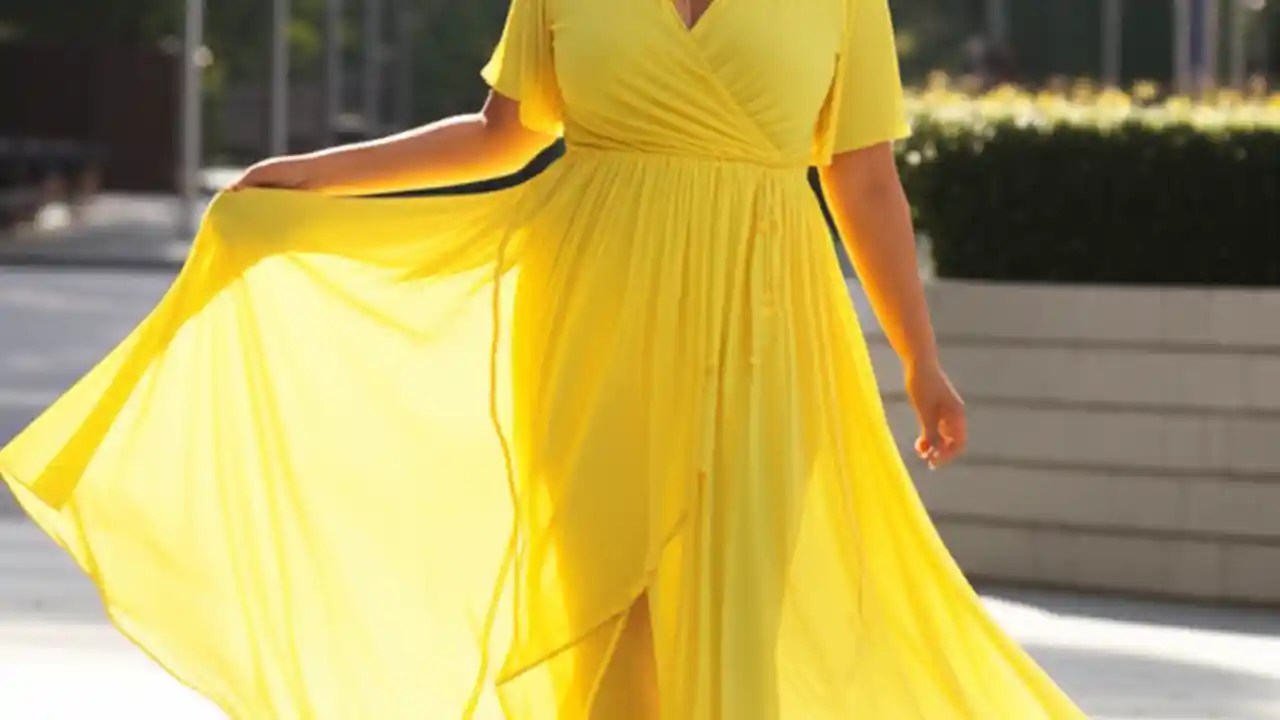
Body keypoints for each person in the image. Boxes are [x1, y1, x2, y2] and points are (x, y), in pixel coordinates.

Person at [0, 0, 1086, 717]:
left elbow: (862, 179)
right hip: (588, 317)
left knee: (725, 605)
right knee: (601, 605)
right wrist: (318, 177)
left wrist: (919, 360)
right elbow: (499, 133)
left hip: (764, 331)